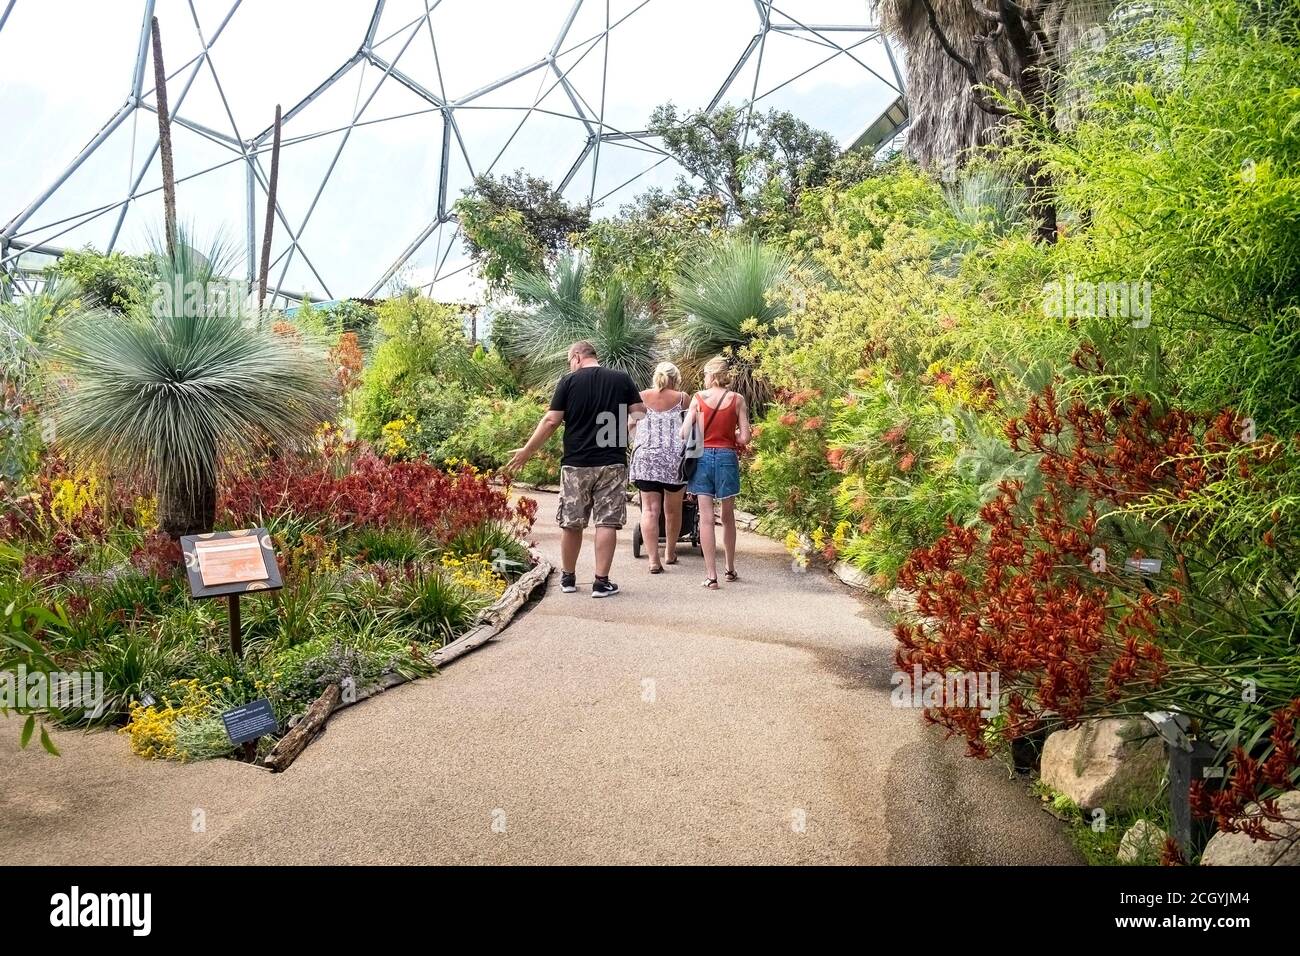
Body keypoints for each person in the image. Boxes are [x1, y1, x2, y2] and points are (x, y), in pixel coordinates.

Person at [504, 341, 645, 598]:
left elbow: (551, 420)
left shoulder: (568, 382)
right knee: (607, 522)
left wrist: (528, 450)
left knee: (571, 523)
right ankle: (601, 582)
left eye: (570, 360)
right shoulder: (621, 379)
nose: (570, 365)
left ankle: (568, 579)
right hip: (611, 461)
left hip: (576, 463)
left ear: (578, 357)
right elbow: (640, 415)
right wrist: (618, 430)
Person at [679, 356, 750, 590]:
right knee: (728, 518)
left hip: (702, 459)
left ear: (710, 376)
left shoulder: (698, 399)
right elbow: (745, 437)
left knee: (706, 519)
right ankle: (730, 568)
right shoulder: (737, 400)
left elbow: (683, 433)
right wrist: (732, 437)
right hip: (727, 457)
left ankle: (711, 576)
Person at [628, 361, 688, 574]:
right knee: (673, 509)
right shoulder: (683, 398)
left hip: (646, 457)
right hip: (674, 458)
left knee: (650, 510)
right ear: (676, 378)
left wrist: (642, 439)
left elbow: (629, 426)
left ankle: (653, 560)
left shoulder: (641, 396)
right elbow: (691, 429)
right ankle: (670, 553)